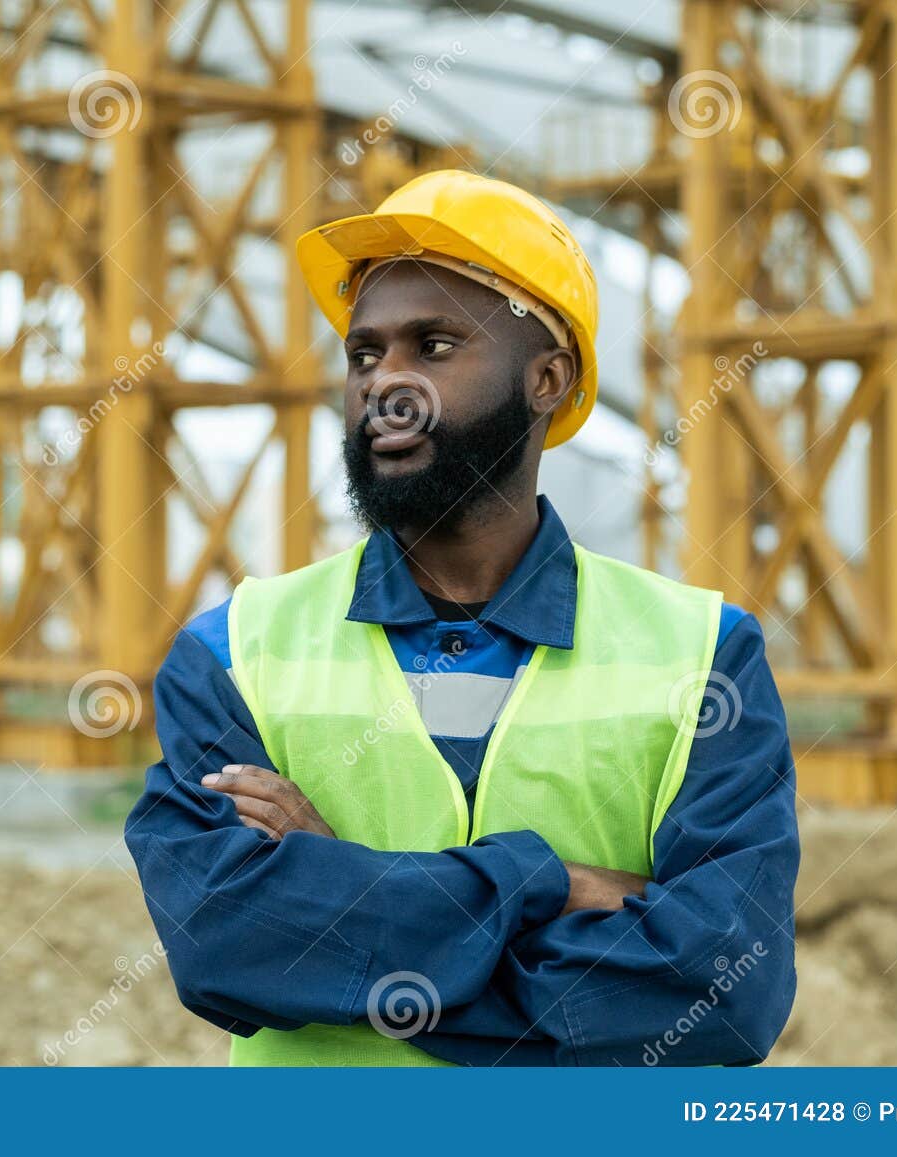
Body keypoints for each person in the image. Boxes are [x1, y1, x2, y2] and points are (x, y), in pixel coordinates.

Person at [124, 170, 798, 1066]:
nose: (386, 387)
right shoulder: (234, 651)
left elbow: (726, 989)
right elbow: (228, 943)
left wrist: (345, 900)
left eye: (435, 346)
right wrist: (553, 884)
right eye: (365, 356)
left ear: (547, 378)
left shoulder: (705, 655)